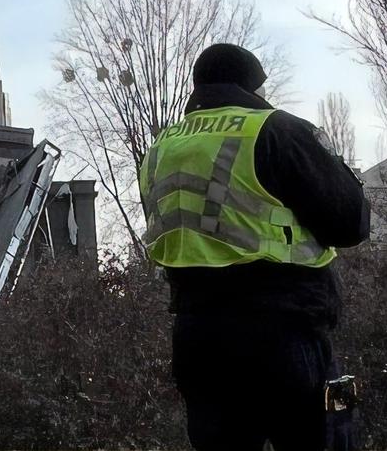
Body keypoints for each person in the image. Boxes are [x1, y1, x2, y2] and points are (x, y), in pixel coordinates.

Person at [138, 43, 370, 451]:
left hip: (198, 337)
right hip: (282, 330)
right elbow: (350, 222)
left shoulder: (163, 147)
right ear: (253, 86)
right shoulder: (275, 130)